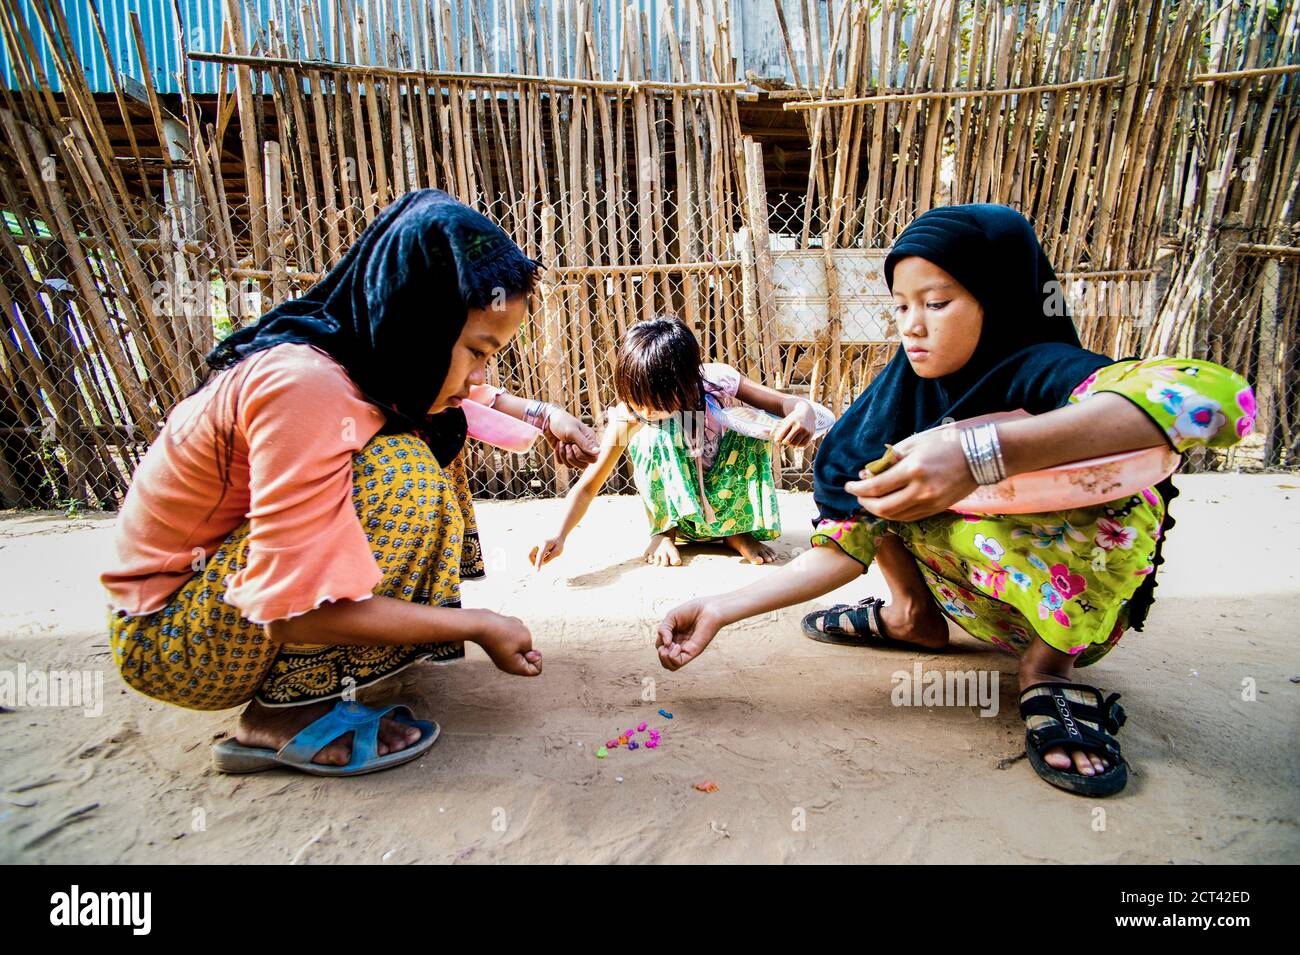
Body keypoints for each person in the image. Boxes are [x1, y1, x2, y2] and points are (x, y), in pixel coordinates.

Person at [652, 205, 1254, 797]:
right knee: (878, 475)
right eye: (901, 306)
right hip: (967, 592)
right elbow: (843, 538)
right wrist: (721, 607)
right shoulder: (891, 402)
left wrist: (981, 454)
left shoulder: (1041, 368)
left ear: (998, 296)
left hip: (1071, 619)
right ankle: (910, 616)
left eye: (936, 303)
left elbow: (1221, 402)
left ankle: (1047, 675)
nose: (912, 325)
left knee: (1128, 502)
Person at [102, 189, 551, 776]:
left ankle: (349, 664)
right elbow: (296, 613)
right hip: (172, 643)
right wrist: (480, 623)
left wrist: (544, 418)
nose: (476, 377)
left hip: (210, 605)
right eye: (475, 351)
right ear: (417, 322)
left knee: (436, 431)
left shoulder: (358, 363)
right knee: (404, 473)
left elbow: (474, 404)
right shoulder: (304, 386)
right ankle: (283, 715)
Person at [530, 315, 817, 569]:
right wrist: (559, 533)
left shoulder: (718, 382)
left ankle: (736, 531)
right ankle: (664, 532)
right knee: (652, 434)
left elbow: (786, 403)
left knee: (752, 428)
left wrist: (803, 412)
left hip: (726, 504)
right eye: (635, 402)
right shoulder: (630, 416)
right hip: (682, 518)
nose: (643, 412)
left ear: (687, 381)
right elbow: (589, 484)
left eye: (653, 403)